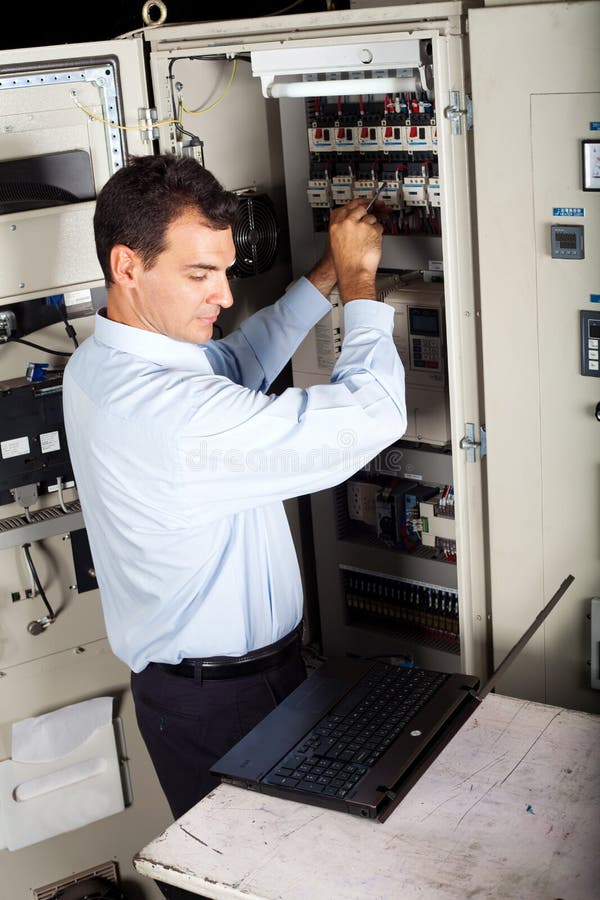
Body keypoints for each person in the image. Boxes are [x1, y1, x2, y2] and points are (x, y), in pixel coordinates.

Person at [62, 153, 406, 889]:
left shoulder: (106, 364)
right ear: (127, 265)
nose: (223, 294)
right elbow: (372, 415)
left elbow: (235, 362)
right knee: (266, 887)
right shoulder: (169, 415)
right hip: (217, 706)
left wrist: (319, 280)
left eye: (224, 270)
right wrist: (359, 288)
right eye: (199, 276)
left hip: (235, 684)